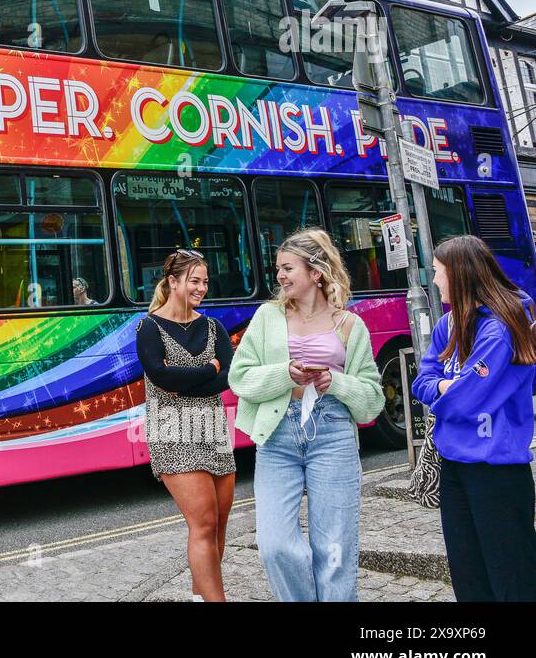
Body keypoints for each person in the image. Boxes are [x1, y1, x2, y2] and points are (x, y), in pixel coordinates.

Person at [228, 228, 382, 601]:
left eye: (287, 268)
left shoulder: (349, 324)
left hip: (332, 431)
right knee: (275, 546)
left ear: (316, 272)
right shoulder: (267, 317)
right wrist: (285, 374)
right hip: (277, 434)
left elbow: (373, 398)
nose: (280, 276)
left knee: (335, 551)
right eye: (278, 268)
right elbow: (240, 378)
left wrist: (337, 383)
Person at [410, 235, 536, 601]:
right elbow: (421, 382)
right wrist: (446, 388)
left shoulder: (500, 329)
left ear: (460, 275)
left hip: (496, 470)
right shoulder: (447, 326)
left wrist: (447, 391)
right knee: (469, 580)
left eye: (437, 272)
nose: (433, 280)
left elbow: (464, 402)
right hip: (453, 467)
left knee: (512, 581)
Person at [135, 249, 236, 601]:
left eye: (205, 281)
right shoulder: (149, 327)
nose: (202, 288)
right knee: (203, 523)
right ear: (173, 281)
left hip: (214, 430)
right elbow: (162, 377)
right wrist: (208, 369)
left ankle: (199, 597)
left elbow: (230, 377)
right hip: (172, 433)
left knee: (220, 525)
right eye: (194, 281)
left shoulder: (213, 327)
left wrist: (188, 380)